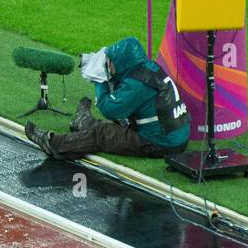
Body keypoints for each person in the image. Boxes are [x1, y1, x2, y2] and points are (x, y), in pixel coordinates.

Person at [25, 36, 190, 160]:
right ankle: (82, 122)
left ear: (121, 62)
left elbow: (109, 109)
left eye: (110, 62)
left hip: (160, 144)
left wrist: (99, 79)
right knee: (119, 126)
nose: (109, 65)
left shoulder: (136, 86)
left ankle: (53, 144)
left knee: (103, 133)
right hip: (174, 138)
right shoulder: (148, 68)